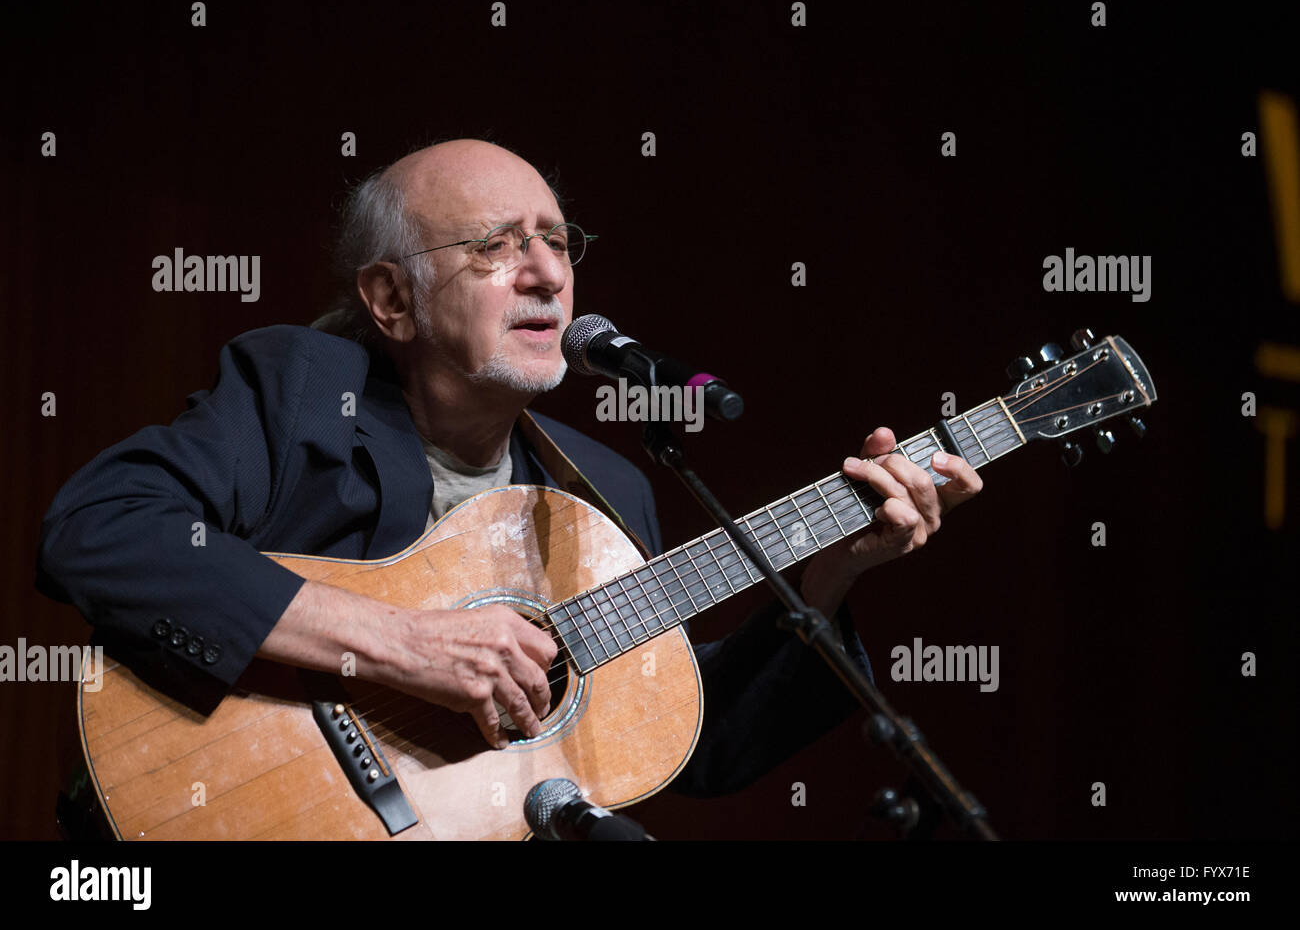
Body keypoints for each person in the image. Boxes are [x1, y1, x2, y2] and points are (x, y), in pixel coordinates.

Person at [37, 139, 983, 802]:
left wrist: (835, 567)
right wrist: (407, 645)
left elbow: (694, 752)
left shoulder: (606, 493)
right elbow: (101, 532)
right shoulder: (298, 390)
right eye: (496, 245)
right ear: (392, 299)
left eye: (559, 241)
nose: (546, 274)